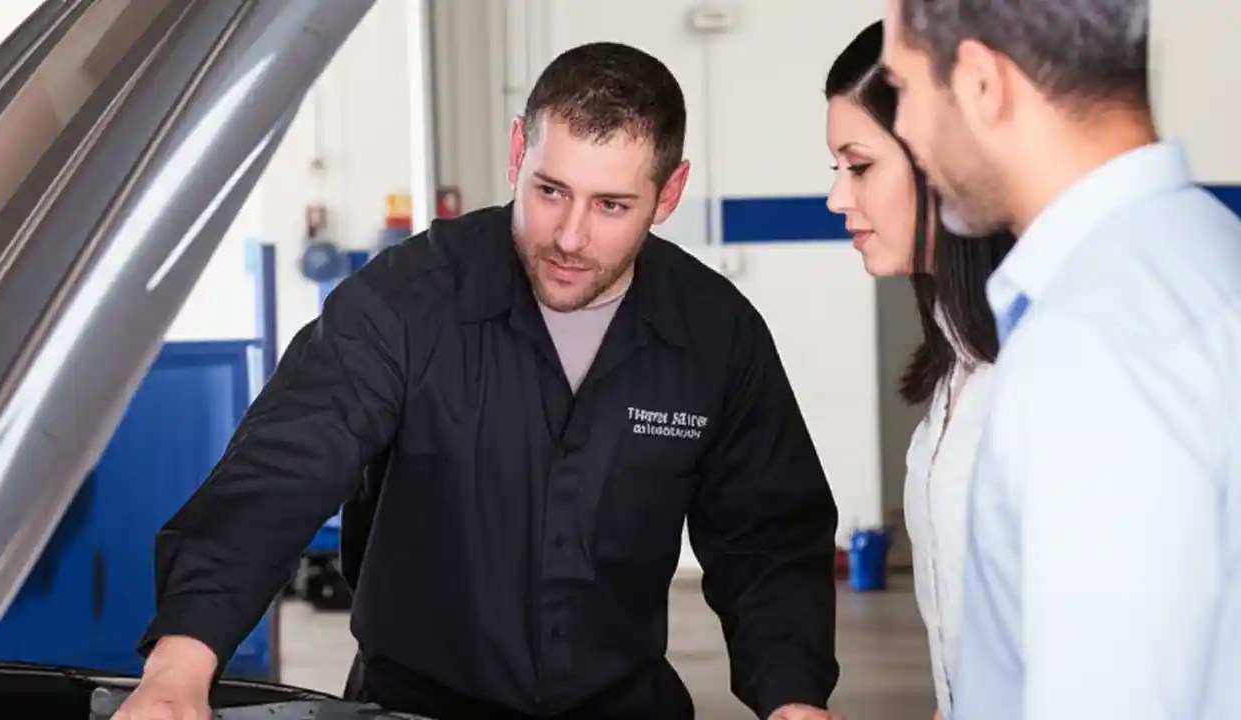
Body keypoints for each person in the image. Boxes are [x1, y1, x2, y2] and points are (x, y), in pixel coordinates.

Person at [113, 41, 843, 720]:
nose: (569, 236)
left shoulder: (714, 334)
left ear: (670, 191)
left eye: (611, 206)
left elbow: (768, 536)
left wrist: (794, 701)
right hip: (416, 706)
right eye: (550, 190)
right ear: (517, 148)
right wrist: (182, 663)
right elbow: (281, 470)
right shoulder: (406, 301)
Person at [881, 1, 1241, 718]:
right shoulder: (1208, 251)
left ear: (982, 83)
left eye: (904, 88)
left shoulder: (1090, 346)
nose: (905, 129)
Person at [823, 21, 1012, 720]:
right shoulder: (955, 370)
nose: (837, 199)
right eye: (835, 170)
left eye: (860, 166)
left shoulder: (1043, 369)